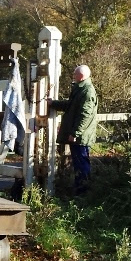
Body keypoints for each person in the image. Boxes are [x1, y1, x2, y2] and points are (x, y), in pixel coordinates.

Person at [48, 64, 98, 195]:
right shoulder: (80, 89)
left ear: (81, 76)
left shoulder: (87, 91)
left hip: (81, 136)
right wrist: (53, 103)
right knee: (79, 162)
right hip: (79, 135)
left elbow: (85, 115)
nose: (73, 76)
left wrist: (75, 133)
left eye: (75, 74)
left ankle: (83, 191)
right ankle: (80, 189)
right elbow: (70, 105)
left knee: (81, 163)